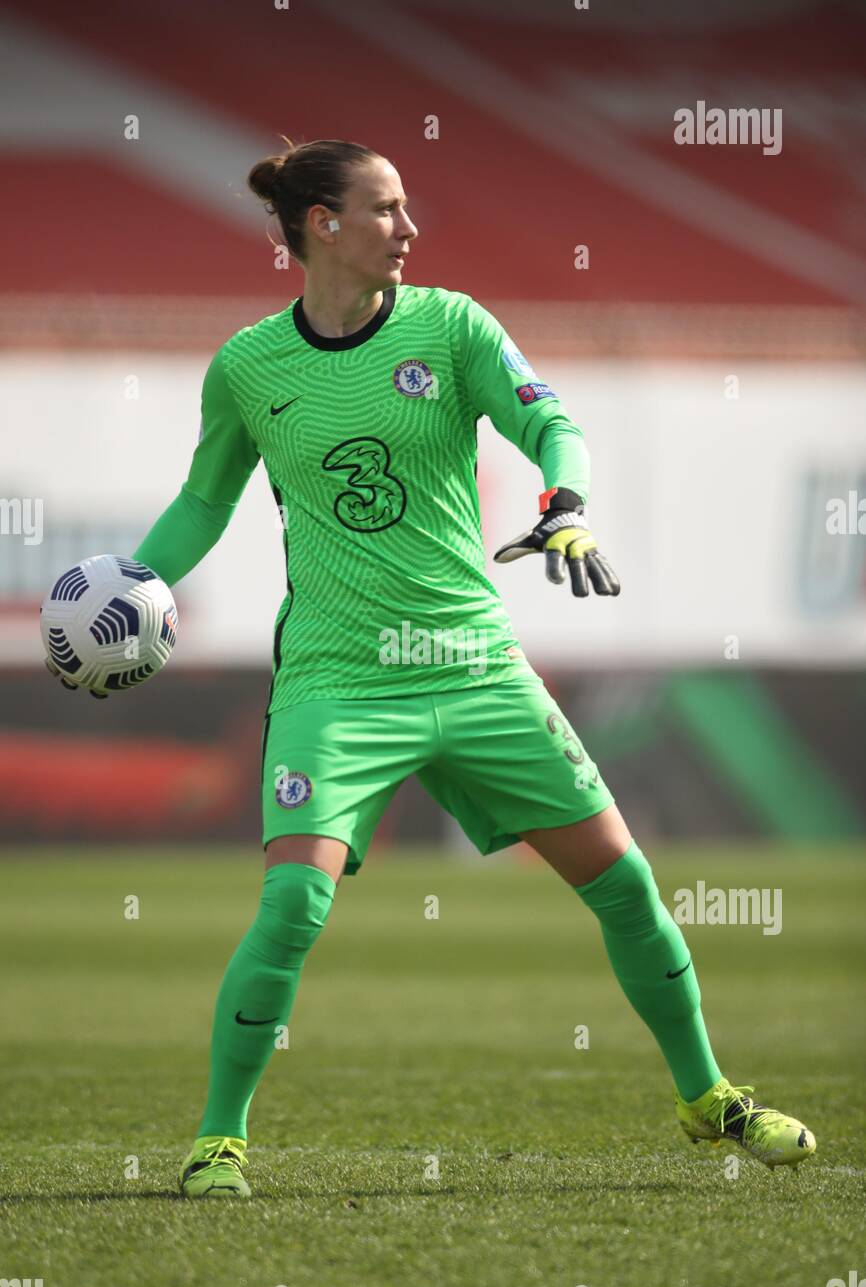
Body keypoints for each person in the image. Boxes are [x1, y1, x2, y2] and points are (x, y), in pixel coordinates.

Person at [118, 137, 814, 1194]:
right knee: (289, 909)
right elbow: (204, 502)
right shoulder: (249, 367)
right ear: (323, 224)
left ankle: (705, 1095)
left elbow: (550, 424)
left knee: (624, 887)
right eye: (385, 208)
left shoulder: (451, 327)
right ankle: (220, 1139)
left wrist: (564, 503)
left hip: (474, 669)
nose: (408, 227)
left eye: (405, 208)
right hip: (336, 683)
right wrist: (134, 585)